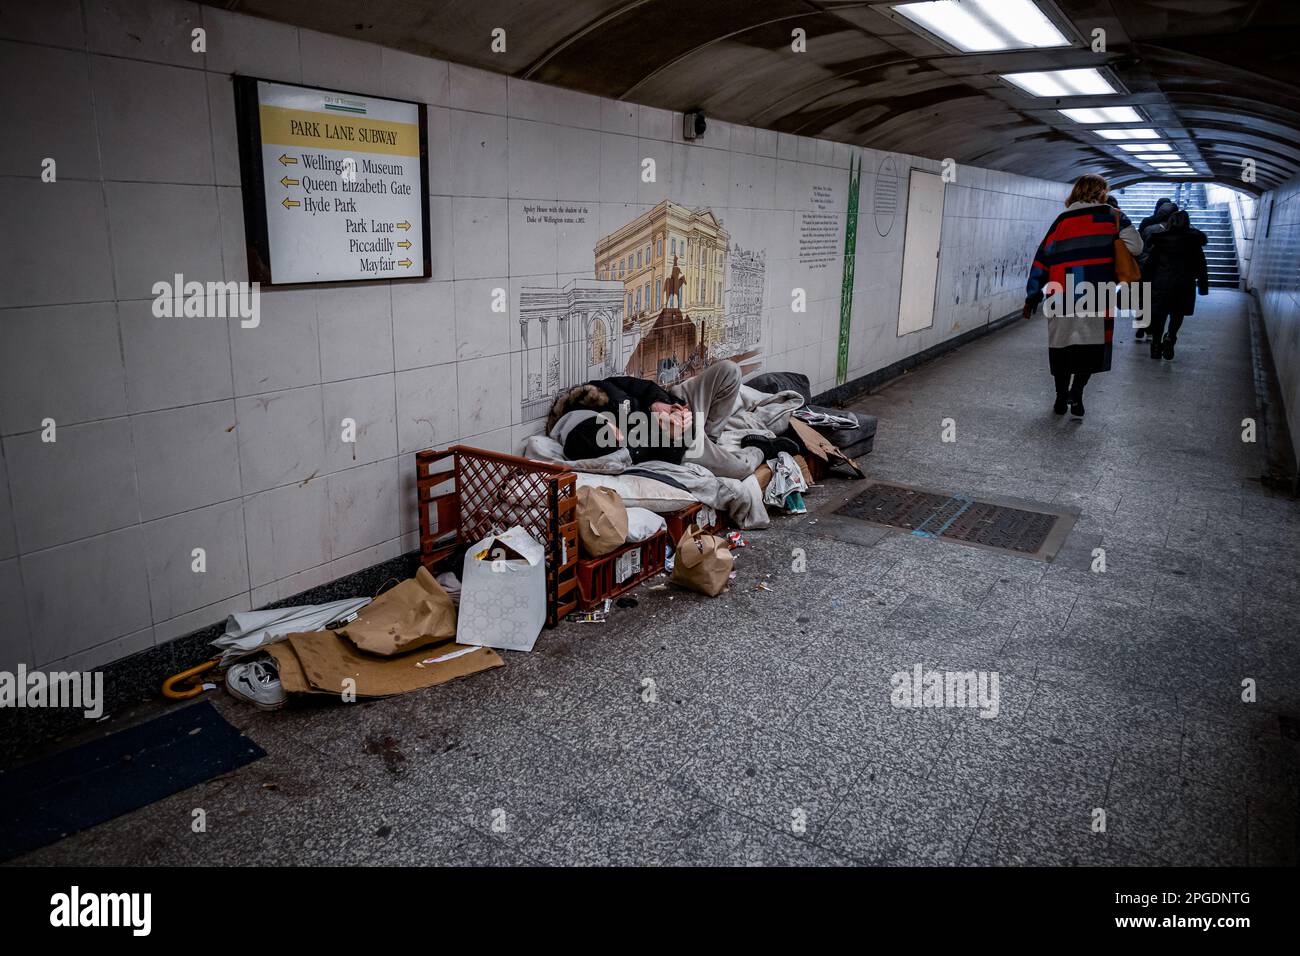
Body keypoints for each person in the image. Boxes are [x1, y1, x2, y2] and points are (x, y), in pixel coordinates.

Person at [1021, 174, 1142, 418]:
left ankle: (1059, 397)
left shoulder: (1062, 220)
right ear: (1102, 193)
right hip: (1098, 292)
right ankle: (1077, 393)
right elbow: (1137, 247)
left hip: (1061, 291)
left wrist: (1032, 295)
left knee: (1062, 346)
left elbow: (1043, 257)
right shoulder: (1113, 216)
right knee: (1090, 346)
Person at [546, 360, 795, 478]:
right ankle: (762, 448)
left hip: (676, 406)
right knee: (740, 470)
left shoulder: (598, 395)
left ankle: (712, 437)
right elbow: (635, 449)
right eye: (617, 436)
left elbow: (640, 386)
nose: (618, 431)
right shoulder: (587, 444)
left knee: (729, 370)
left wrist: (661, 405)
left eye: (611, 427)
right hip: (677, 442)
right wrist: (663, 429)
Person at [1141, 209, 1209, 360]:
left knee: (1160, 316)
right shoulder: (1194, 242)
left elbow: (1150, 265)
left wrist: (1142, 285)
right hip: (1184, 285)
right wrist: (1203, 287)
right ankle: (1171, 337)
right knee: (1177, 314)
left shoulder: (1160, 241)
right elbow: (1201, 266)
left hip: (1161, 284)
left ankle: (1156, 347)